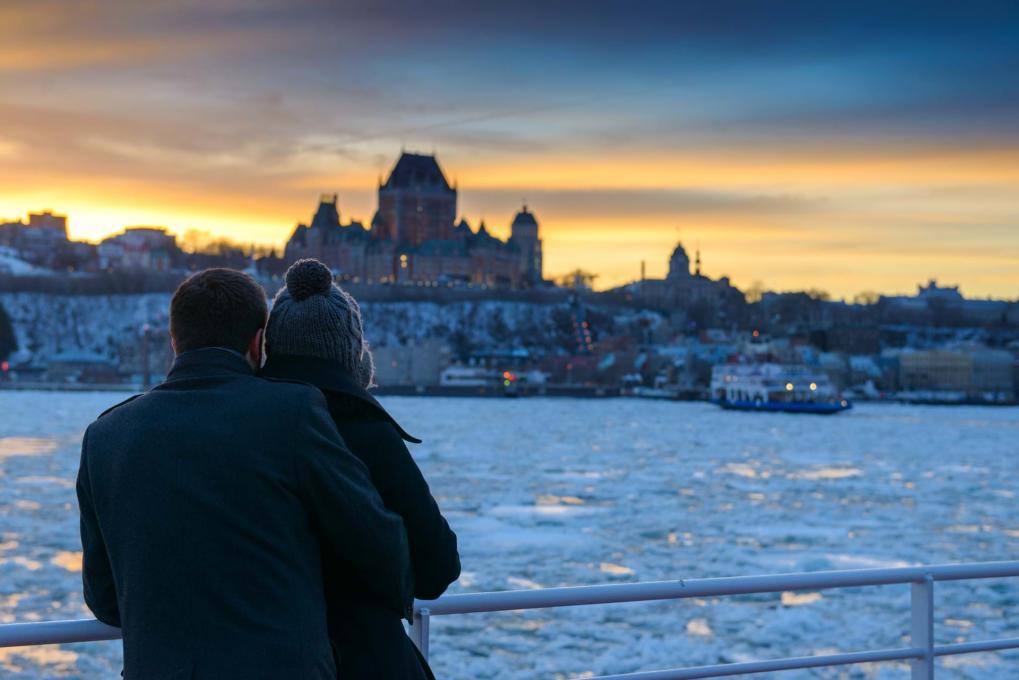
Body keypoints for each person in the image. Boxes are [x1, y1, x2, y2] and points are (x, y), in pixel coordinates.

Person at [76, 268, 414, 680]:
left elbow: (107, 600)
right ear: (258, 343)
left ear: (174, 342)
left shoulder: (105, 437)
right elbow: (380, 547)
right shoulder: (293, 412)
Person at [262, 259, 460, 680]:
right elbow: (438, 568)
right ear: (351, 353)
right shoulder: (367, 435)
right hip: (363, 658)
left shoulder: (243, 426)